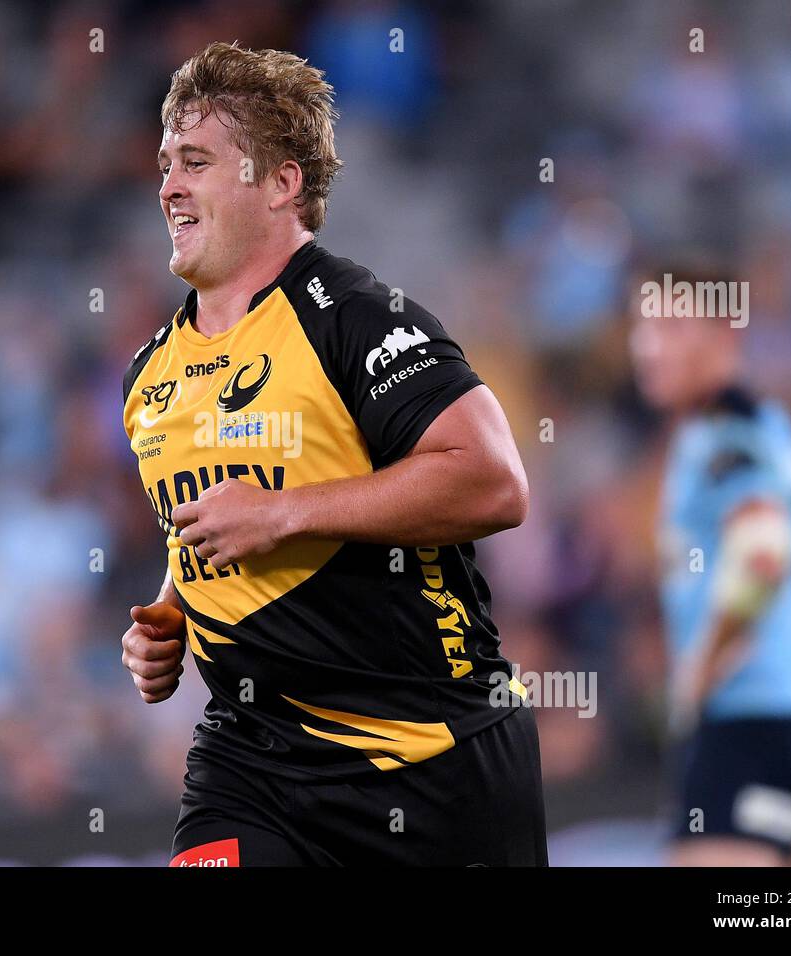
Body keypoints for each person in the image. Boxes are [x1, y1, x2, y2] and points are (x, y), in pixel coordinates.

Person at [121, 42, 544, 866]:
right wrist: (173, 608)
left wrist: (283, 516)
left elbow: (494, 481)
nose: (169, 184)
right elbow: (213, 517)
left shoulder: (356, 317)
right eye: (167, 162)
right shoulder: (149, 375)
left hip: (434, 757)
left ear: (281, 183)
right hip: (251, 759)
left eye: (198, 161)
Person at [629, 262, 791, 866]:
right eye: (643, 325)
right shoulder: (764, 424)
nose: (648, 345)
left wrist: (700, 672)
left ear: (726, 335)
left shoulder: (726, 440)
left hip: (749, 722)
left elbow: (761, 558)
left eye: (672, 327)